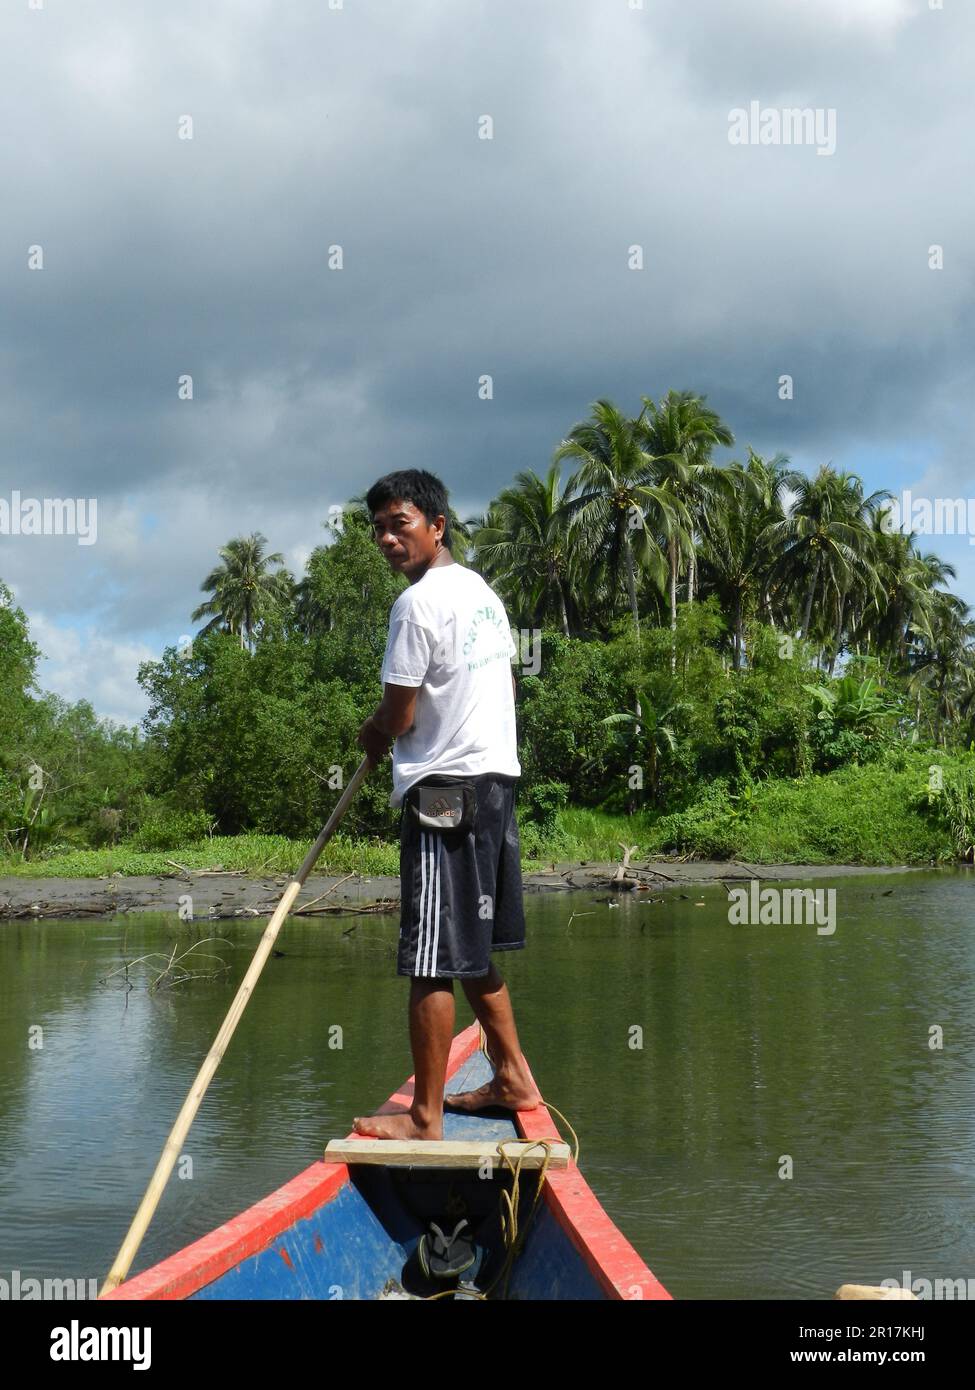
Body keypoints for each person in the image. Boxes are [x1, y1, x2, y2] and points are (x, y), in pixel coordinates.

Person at [353, 468, 540, 1140]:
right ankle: (513, 1075)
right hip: (493, 783)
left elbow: (399, 715)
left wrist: (373, 733)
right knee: (467, 944)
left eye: (397, 523)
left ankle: (425, 1116)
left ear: (437, 525)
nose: (384, 538)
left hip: (445, 792)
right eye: (376, 527)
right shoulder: (482, 595)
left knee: (431, 955)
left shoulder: (418, 603)